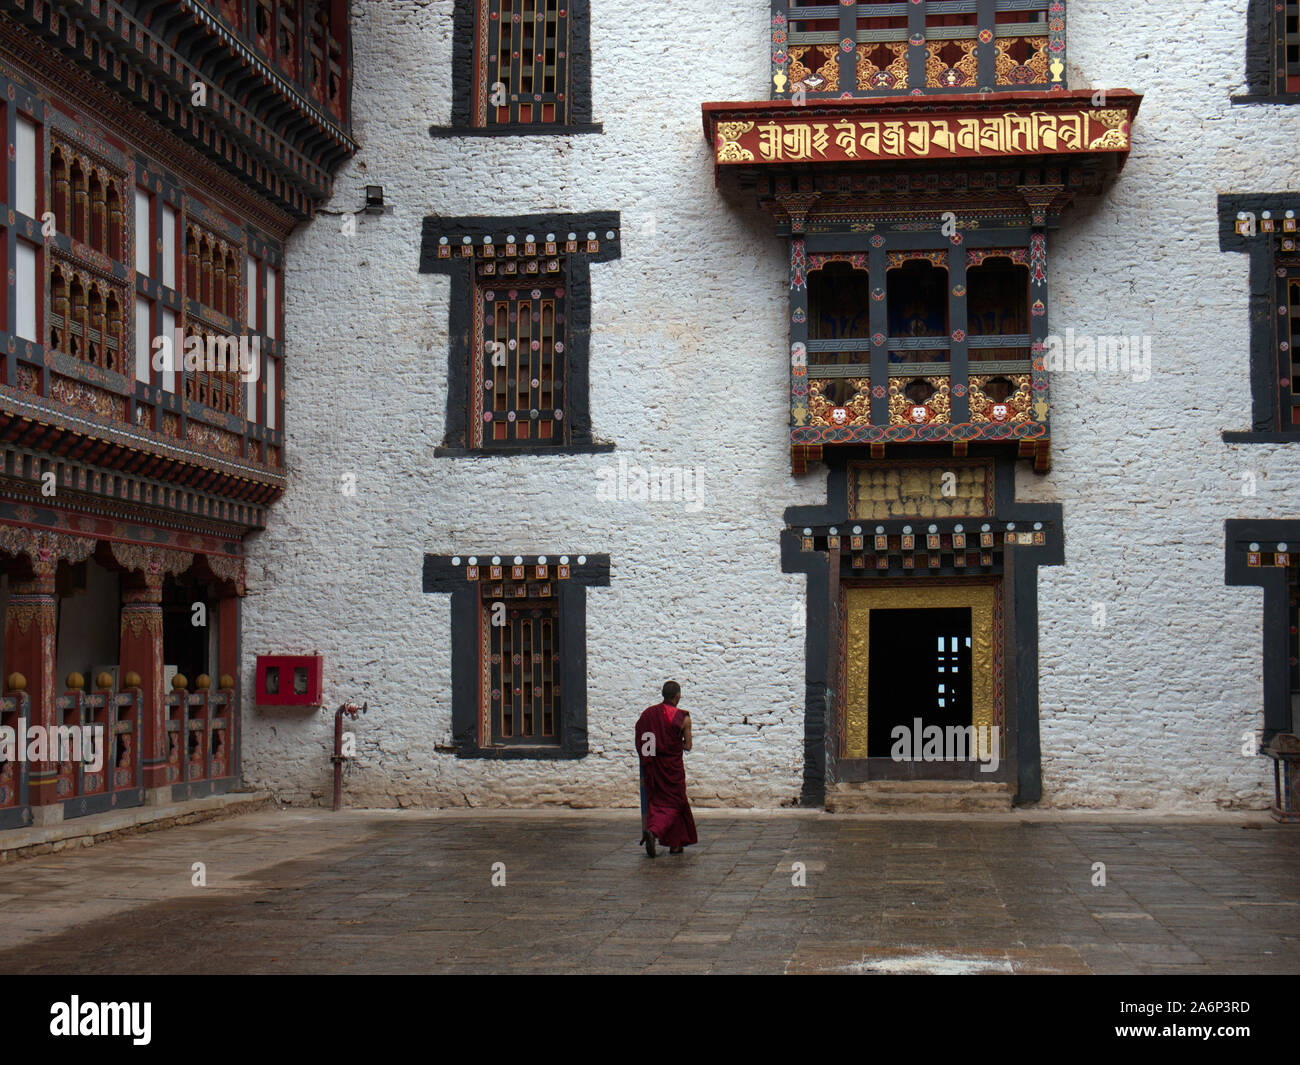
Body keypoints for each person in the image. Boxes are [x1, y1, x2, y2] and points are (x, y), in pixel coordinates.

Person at [635, 681, 698, 857]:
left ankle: (676, 844)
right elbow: (688, 746)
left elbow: (643, 740)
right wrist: (676, 745)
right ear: (678, 696)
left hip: (653, 768)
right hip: (672, 769)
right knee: (676, 803)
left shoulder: (648, 714)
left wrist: (649, 759)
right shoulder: (683, 718)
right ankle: (654, 831)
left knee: (658, 803)